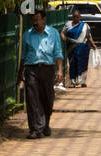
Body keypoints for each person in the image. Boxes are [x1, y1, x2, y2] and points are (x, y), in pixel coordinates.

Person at [17, 10, 65, 138]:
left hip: (47, 69)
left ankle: (45, 125)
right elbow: (23, 55)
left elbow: (58, 53)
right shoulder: (27, 34)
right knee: (32, 99)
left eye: (38, 20)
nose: (35, 23)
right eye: (33, 20)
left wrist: (60, 70)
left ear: (44, 20)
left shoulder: (53, 33)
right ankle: (34, 129)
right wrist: (20, 72)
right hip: (31, 68)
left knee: (47, 99)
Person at [64, 8, 94, 87]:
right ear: (72, 17)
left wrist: (93, 45)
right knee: (72, 63)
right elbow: (63, 33)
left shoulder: (84, 25)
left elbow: (88, 36)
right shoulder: (68, 24)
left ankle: (82, 81)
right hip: (72, 47)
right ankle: (73, 82)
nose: (76, 18)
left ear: (80, 17)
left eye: (77, 17)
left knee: (82, 63)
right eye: (74, 17)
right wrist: (64, 38)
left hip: (83, 47)